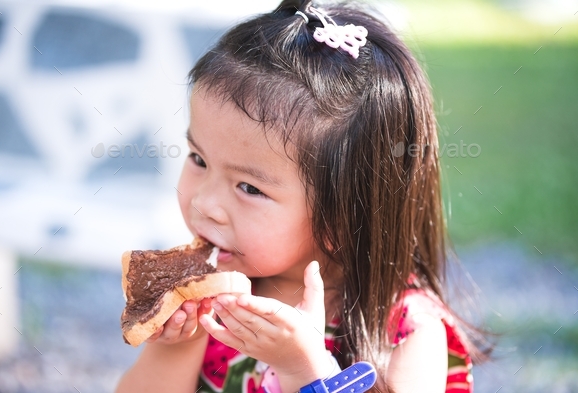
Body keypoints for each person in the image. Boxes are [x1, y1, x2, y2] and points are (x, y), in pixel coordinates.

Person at [116, 1, 484, 392]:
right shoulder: (217, 291)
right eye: (198, 159)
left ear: (341, 218)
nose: (203, 203)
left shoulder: (408, 334)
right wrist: (179, 345)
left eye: (249, 188)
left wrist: (303, 372)